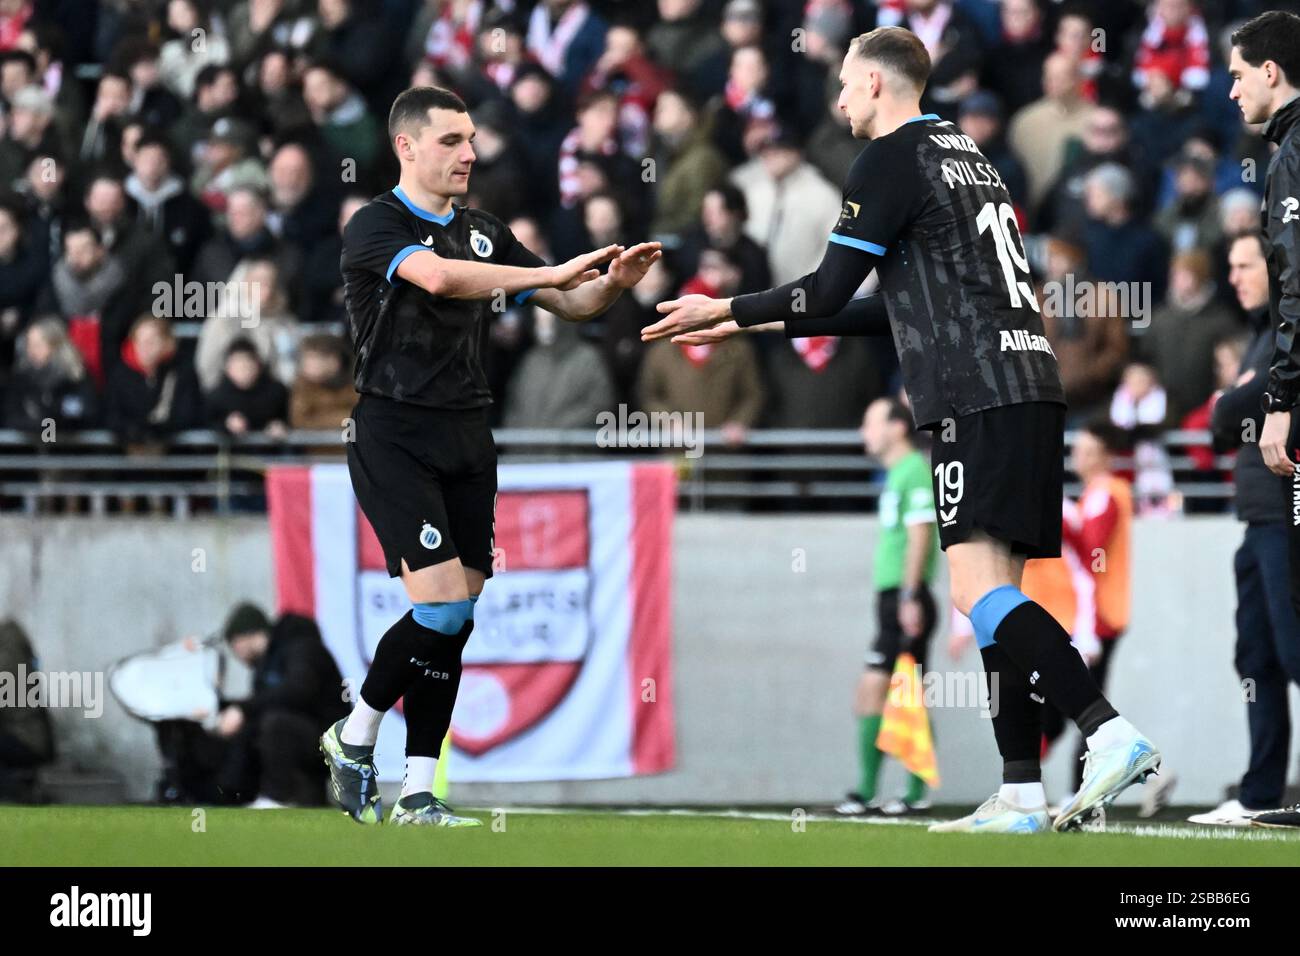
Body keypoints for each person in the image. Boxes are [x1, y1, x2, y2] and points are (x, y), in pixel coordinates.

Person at [643, 26, 1162, 833]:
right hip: (1028, 383)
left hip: (970, 392)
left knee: (971, 590)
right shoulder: (968, 157)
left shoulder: (888, 159)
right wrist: (756, 328)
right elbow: (890, 306)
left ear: (879, 85)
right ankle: (1022, 791)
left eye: (847, 83)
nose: (839, 98)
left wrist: (728, 309)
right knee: (997, 593)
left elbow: (822, 290)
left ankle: (1107, 729)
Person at [323, 85, 662, 827]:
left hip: (470, 436)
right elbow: (442, 279)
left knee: (460, 616)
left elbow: (570, 304)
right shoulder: (375, 224)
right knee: (439, 609)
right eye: (450, 140)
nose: (469, 152)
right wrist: (546, 274)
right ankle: (353, 735)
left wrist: (611, 286)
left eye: (471, 138)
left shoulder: (484, 230)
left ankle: (415, 790)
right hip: (394, 433)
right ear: (406, 147)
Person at [1199, 232, 1300, 827]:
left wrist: (1227, 401)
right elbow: (1229, 418)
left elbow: (1233, 410)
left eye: (1244, 265)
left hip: (1285, 512)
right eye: (1230, 265)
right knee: (1256, 658)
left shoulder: (1287, 335)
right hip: (1255, 518)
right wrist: (1230, 403)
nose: (1234, 275)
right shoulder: (1262, 337)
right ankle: (1261, 793)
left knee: (1292, 652)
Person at [1237, 11, 1300, 831]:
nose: (1233, 86)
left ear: (1274, 74)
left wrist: (1281, 399)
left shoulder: (1292, 154)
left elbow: (1298, 288)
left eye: (1240, 72)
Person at [835, 397, 939, 818]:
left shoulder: (914, 470)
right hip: (892, 598)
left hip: (906, 597)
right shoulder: (897, 473)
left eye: (869, 423)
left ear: (896, 428)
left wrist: (910, 596)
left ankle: (910, 792)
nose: (864, 432)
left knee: (900, 693)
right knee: (874, 693)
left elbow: (920, 537)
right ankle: (871, 790)